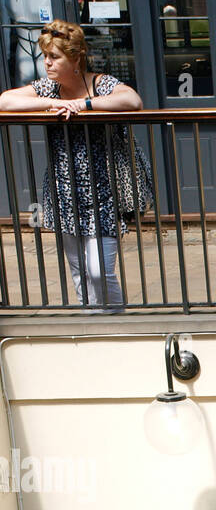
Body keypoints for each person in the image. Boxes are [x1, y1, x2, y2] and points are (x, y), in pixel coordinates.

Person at [0, 19, 151, 310]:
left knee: (99, 271)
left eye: (54, 57)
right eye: (45, 56)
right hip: (64, 191)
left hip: (103, 190)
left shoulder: (100, 83)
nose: (47, 63)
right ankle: (92, 322)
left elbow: (132, 100)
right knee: (80, 272)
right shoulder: (49, 90)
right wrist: (50, 104)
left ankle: (117, 325)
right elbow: (5, 101)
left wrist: (84, 105)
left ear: (75, 58)